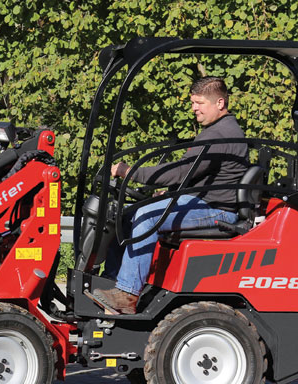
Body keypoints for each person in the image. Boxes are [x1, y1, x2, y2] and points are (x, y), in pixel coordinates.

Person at [88, 76, 248, 315]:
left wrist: (131, 172)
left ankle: (127, 294)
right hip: (203, 201)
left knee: (147, 216)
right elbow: (199, 174)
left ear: (220, 103)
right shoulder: (220, 130)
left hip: (216, 211)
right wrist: (171, 192)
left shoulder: (220, 135)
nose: (194, 108)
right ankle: (112, 281)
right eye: (193, 102)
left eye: (200, 103)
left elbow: (182, 171)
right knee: (127, 216)